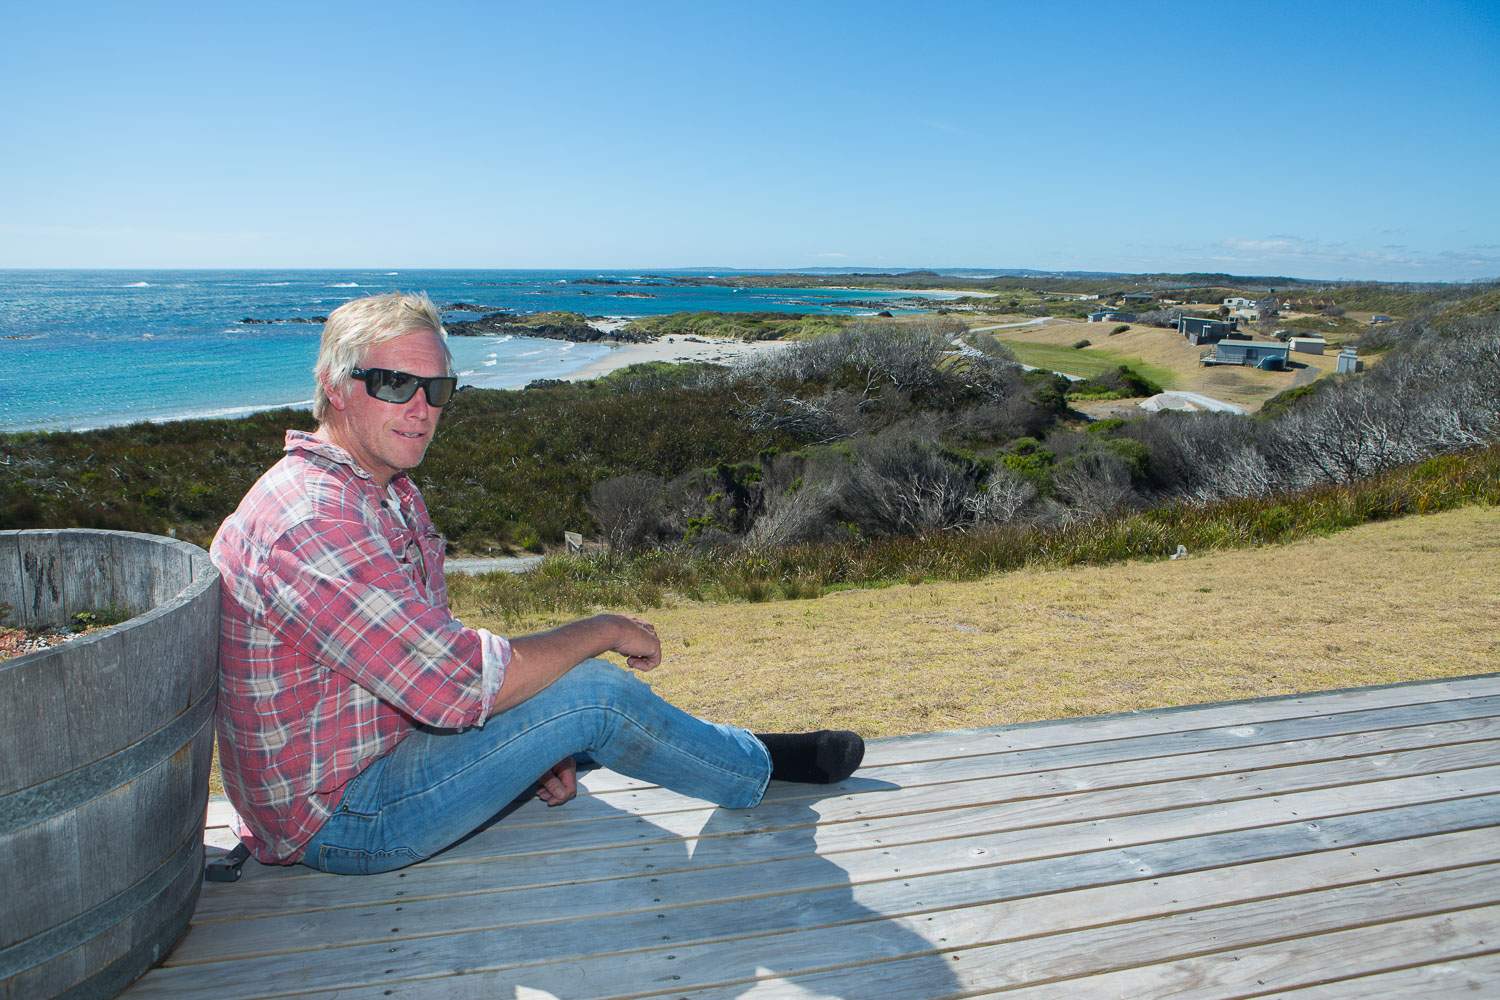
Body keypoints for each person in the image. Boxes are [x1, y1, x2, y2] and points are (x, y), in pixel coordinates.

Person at [210, 292, 863, 874]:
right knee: (598, 693)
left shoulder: (378, 490)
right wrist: (603, 629)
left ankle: (652, 747)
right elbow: (456, 686)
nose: (420, 409)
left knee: (566, 700)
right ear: (334, 384)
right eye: (392, 382)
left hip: (378, 755)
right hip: (341, 817)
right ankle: (757, 766)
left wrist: (527, 745)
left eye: (436, 390)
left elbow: (424, 664)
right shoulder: (315, 523)